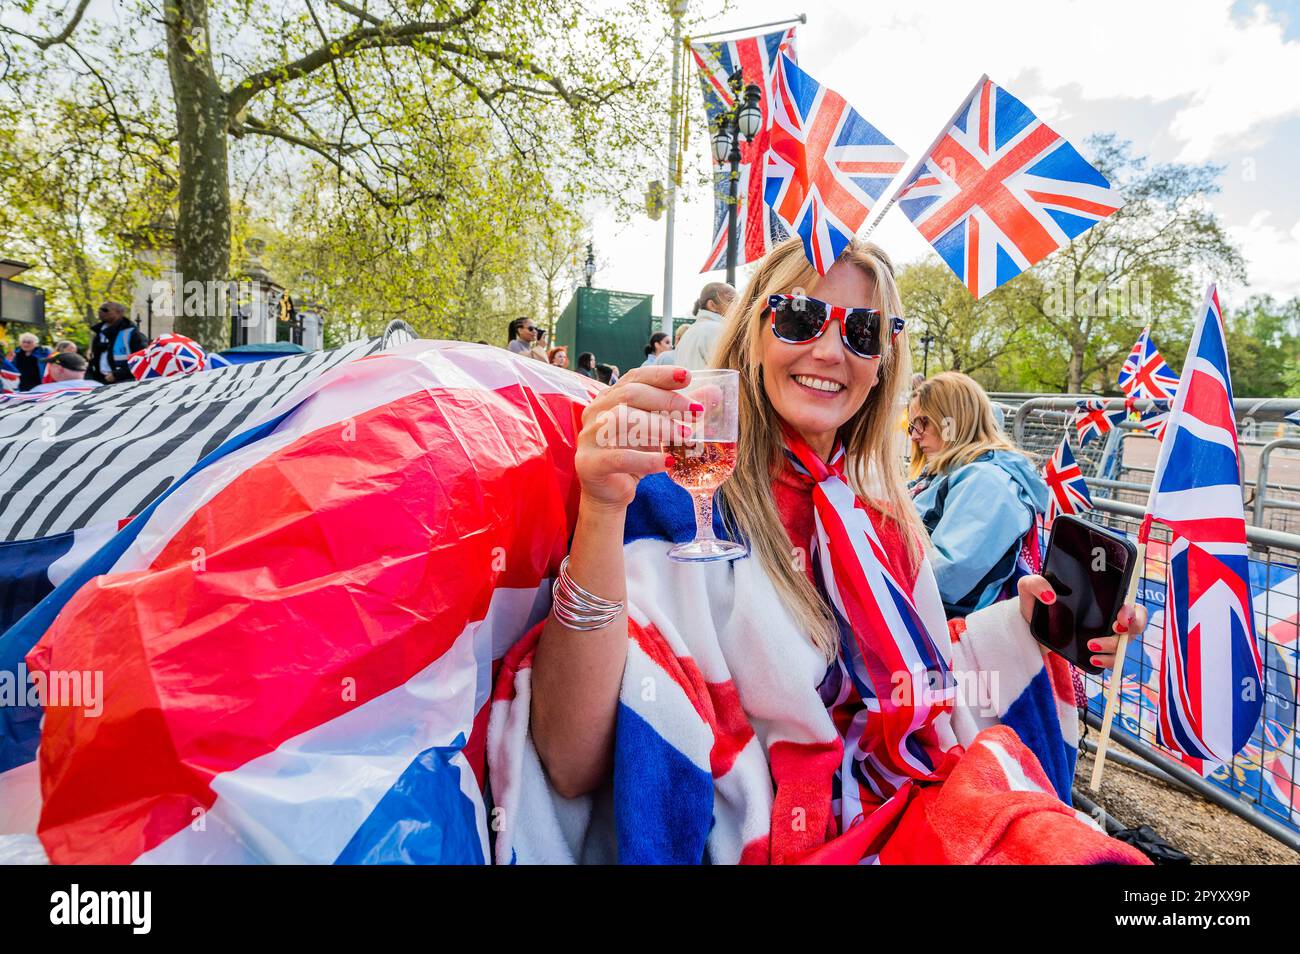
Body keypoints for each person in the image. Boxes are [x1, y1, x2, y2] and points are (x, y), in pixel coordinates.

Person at [495, 236, 1146, 866]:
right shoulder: (669, 494)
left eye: (862, 331)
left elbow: (917, 686)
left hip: (903, 809)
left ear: (881, 364)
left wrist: (1023, 628)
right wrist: (604, 510)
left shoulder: (883, 524)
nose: (831, 349)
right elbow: (568, 761)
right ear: (753, 332)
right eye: (801, 317)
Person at [907, 372, 1049, 618]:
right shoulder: (951, 472)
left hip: (941, 634)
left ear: (952, 421)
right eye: (912, 426)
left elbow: (946, 576)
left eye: (922, 423)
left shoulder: (988, 482)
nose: (915, 435)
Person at [673, 281, 736, 370]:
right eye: (731, 301)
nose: (738, 306)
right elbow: (731, 372)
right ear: (712, 305)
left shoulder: (688, 333)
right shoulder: (719, 330)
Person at [89, 302, 147, 384]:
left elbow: (142, 359)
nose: (100, 312)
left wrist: (117, 375)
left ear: (119, 313)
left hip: (124, 382)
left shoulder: (132, 333)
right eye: (99, 309)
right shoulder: (99, 333)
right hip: (101, 381)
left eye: (105, 310)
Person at [26, 352, 102, 394]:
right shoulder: (100, 387)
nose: (49, 369)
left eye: (51, 366)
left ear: (60, 369)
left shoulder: (41, 390)